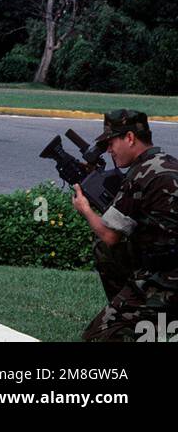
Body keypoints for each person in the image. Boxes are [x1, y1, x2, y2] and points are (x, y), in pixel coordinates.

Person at [72, 109, 178, 342]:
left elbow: (110, 236)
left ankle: (140, 322)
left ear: (130, 138)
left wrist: (85, 208)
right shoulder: (167, 164)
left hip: (164, 283)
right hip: (168, 272)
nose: (109, 150)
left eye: (111, 143)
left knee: (96, 338)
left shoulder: (140, 174)